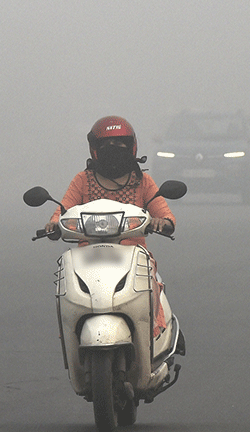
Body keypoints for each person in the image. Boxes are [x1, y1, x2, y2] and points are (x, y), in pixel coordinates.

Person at [44, 115, 176, 335]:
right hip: (87, 258)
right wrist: (54, 224)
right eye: (106, 145)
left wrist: (162, 222)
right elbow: (63, 210)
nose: (112, 149)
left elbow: (165, 215)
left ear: (131, 147)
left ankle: (151, 335)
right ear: (95, 149)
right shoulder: (82, 180)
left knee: (150, 281)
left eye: (119, 144)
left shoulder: (143, 182)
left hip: (134, 257)